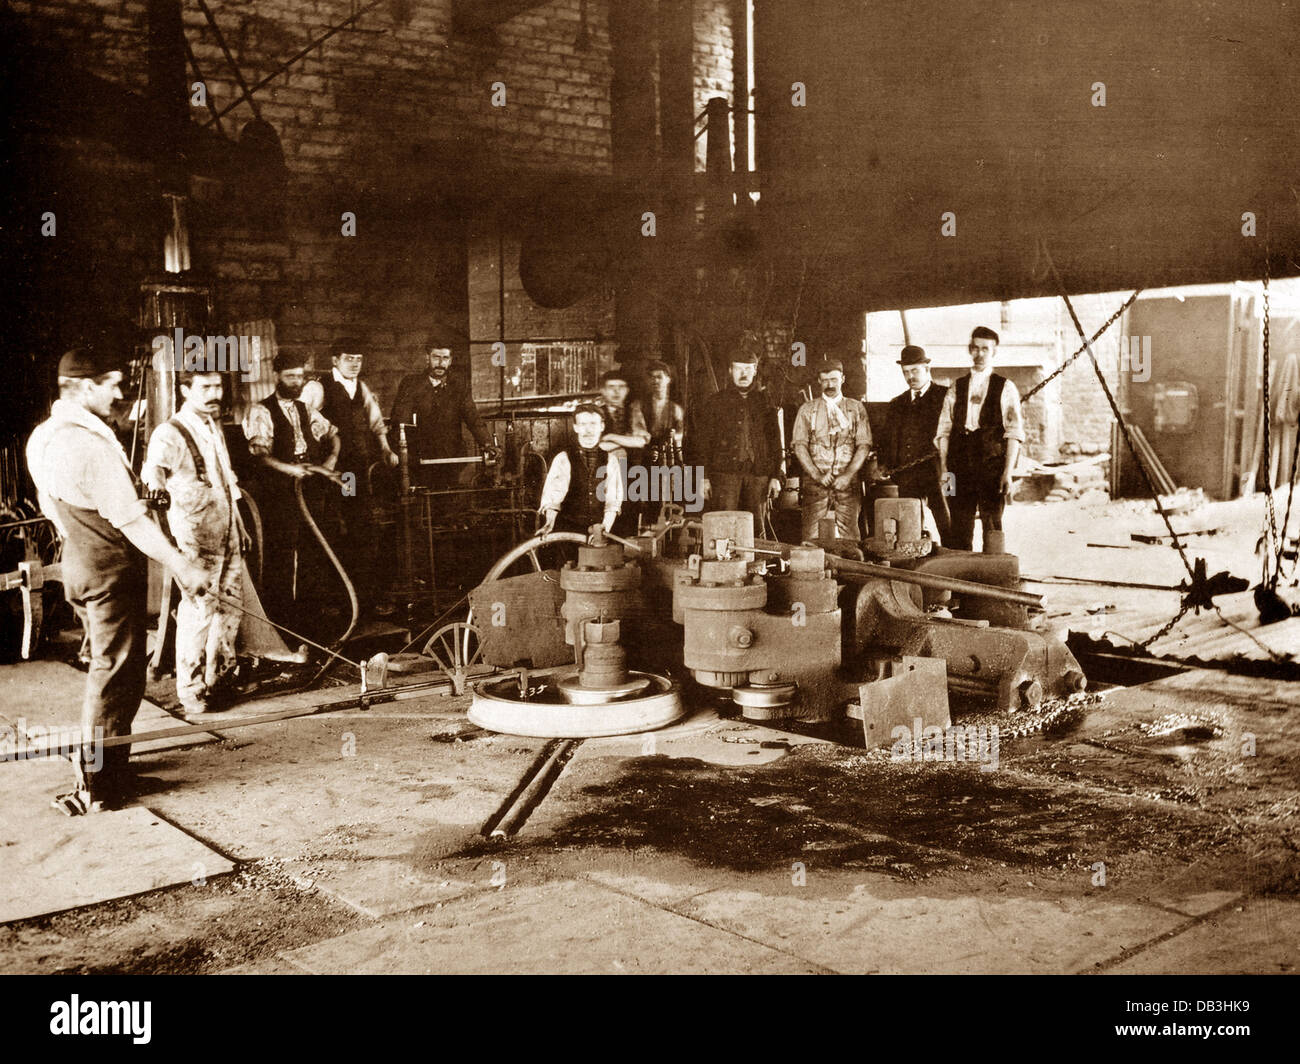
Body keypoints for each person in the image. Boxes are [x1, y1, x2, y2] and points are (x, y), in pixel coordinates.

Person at [27, 347, 210, 814]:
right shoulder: (86, 443)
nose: (119, 393)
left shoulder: (45, 436)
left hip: (80, 559)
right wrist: (183, 565)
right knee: (113, 671)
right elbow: (132, 523)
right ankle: (99, 783)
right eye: (111, 385)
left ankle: (111, 766)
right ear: (86, 386)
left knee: (120, 667)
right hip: (109, 567)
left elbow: (62, 505)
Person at [142, 370, 248, 717]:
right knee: (200, 610)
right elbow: (153, 469)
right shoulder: (170, 431)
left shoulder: (212, 425)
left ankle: (220, 678)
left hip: (227, 529)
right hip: (196, 537)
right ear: (186, 389)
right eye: (205, 387)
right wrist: (157, 484)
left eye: (218, 386)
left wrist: (240, 524)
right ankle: (191, 690)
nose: (214, 393)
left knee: (230, 605)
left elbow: (226, 482)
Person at [242, 352, 340, 629]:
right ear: (277, 377)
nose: (296, 382)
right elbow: (260, 455)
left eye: (300, 376)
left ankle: (311, 615)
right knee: (282, 553)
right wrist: (290, 470)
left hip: (310, 487)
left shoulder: (305, 409)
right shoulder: (260, 410)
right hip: (278, 492)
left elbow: (334, 435)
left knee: (315, 546)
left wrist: (330, 459)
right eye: (290, 376)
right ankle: (280, 618)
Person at [302, 339, 399, 604]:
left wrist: (386, 449)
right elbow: (300, 417)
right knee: (336, 524)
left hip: (355, 469)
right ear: (335, 360)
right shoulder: (318, 387)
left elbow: (376, 421)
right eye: (349, 359)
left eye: (358, 359)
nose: (355, 364)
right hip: (333, 468)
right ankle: (336, 596)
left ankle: (360, 594)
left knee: (359, 523)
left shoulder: (361, 388)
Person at [935, 326, 1026, 551]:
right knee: (959, 526)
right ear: (969, 350)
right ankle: (962, 583)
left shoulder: (1005, 387)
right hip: (957, 468)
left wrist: (1008, 472)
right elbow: (944, 431)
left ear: (994, 351)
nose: (979, 354)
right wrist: (946, 471)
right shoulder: (956, 387)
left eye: (985, 348)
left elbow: (1014, 432)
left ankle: (991, 578)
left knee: (993, 526)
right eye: (975, 348)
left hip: (991, 468)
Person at [690, 352, 783, 529]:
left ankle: (758, 558)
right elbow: (702, 444)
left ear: (755, 371)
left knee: (757, 527)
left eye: (748, 369)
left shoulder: (765, 402)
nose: (743, 374)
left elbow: (775, 442)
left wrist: (775, 476)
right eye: (739, 368)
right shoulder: (716, 402)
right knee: (723, 526)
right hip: (724, 476)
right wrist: (704, 478)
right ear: (731, 370)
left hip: (758, 476)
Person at [389, 341, 494, 490]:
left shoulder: (459, 385)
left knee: (447, 500)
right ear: (427, 358)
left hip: (451, 456)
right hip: (420, 457)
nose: (440, 363)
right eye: (436, 357)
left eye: (445, 358)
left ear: (450, 360)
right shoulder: (411, 384)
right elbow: (400, 420)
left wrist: (487, 444)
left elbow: (473, 419)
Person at [792, 359, 873, 542]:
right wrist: (816, 474)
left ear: (842, 379)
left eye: (834, 379)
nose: (830, 384)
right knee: (811, 539)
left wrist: (848, 475)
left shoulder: (856, 408)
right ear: (819, 381)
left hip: (848, 485)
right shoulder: (807, 409)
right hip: (815, 485)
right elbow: (799, 445)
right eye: (825, 380)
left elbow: (864, 445)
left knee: (851, 538)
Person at [879, 345, 951, 544]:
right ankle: (916, 563)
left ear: (927, 369)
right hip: (907, 475)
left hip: (941, 473)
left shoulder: (946, 397)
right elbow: (887, 439)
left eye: (915, 370)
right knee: (910, 525)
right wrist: (885, 464)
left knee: (948, 520)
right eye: (906, 372)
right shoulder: (897, 404)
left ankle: (956, 560)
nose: (910, 376)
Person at [537, 405, 626, 537]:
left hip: (599, 530)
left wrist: (604, 528)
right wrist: (549, 522)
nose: (588, 430)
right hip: (567, 531)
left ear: (602, 426)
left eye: (593, 424)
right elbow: (553, 497)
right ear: (576, 427)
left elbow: (612, 501)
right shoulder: (563, 458)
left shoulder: (611, 460)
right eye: (583, 424)